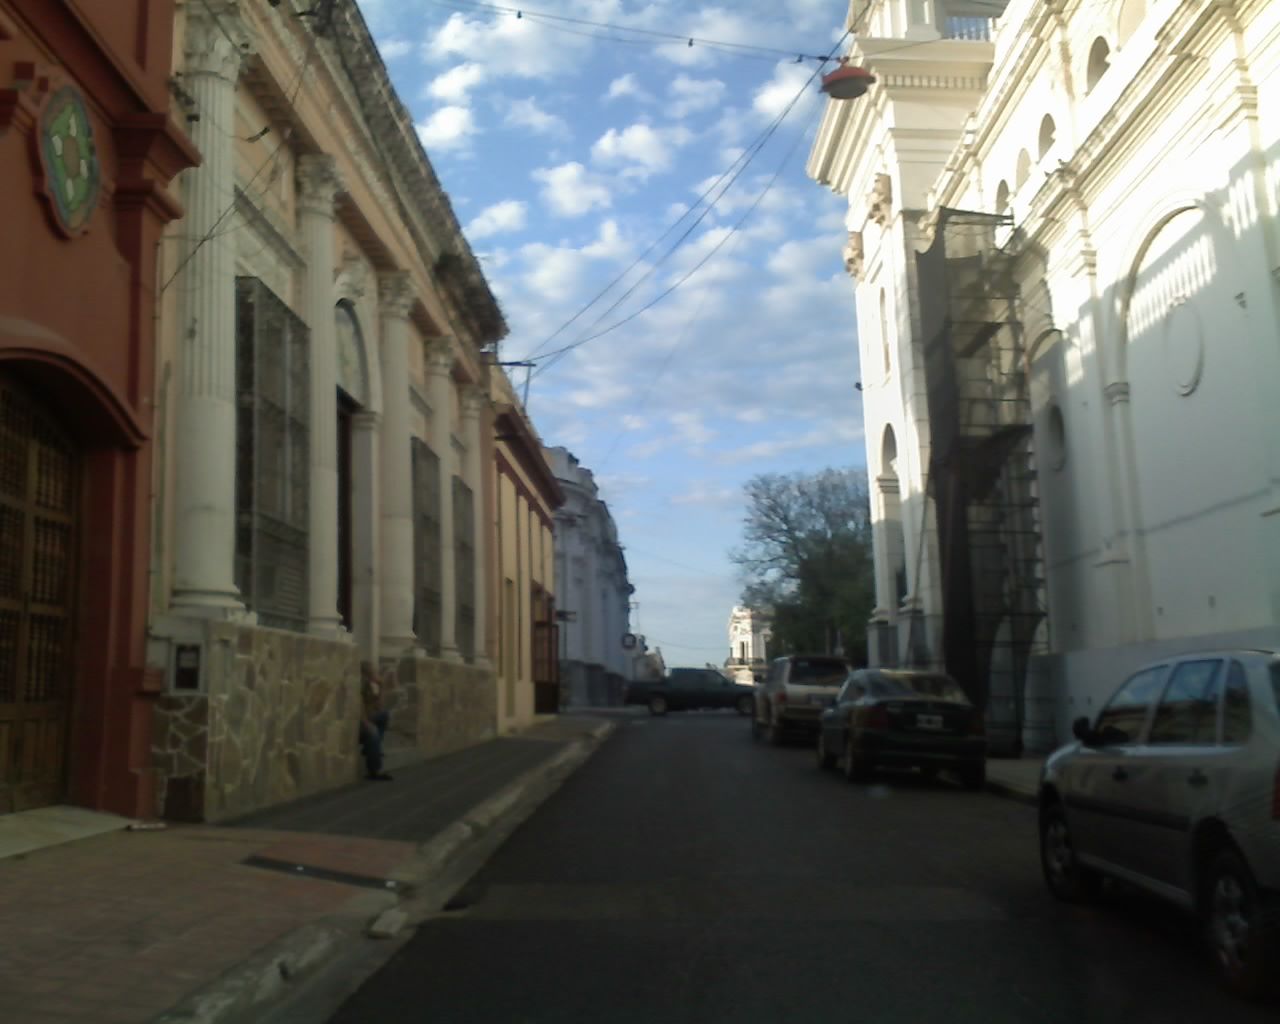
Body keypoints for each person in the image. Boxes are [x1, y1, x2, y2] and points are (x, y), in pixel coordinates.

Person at [359, 660, 393, 781]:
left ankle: (370, 749)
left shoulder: (371, 686)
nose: (375, 674)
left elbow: (379, 706)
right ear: (366, 673)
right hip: (360, 723)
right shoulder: (360, 685)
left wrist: (381, 686)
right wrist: (367, 724)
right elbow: (359, 709)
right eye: (373, 672)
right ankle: (374, 771)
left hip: (367, 719)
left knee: (384, 715)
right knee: (374, 735)